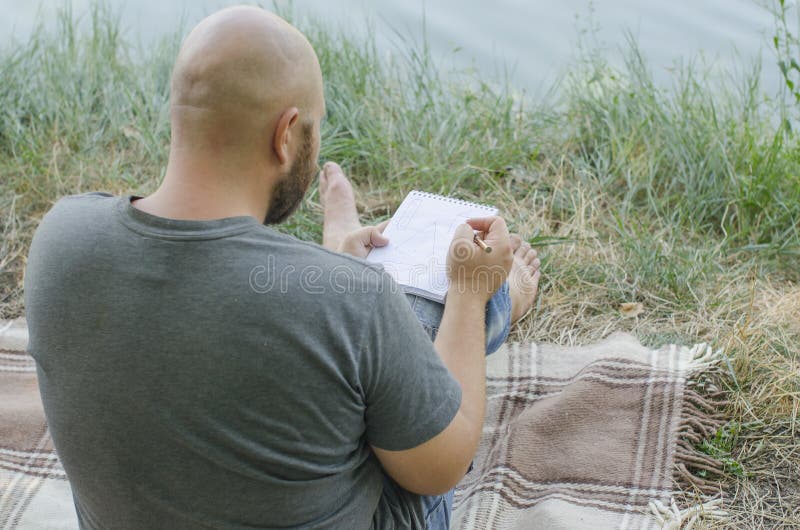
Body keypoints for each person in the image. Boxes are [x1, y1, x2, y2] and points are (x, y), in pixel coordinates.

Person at [24, 5, 540, 529]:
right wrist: (472, 292)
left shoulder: (58, 239)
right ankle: (494, 305)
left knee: (362, 325)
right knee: (424, 306)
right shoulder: (355, 303)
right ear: (287, 134)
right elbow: (440, 469)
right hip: (357, 324)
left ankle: (347, 253)